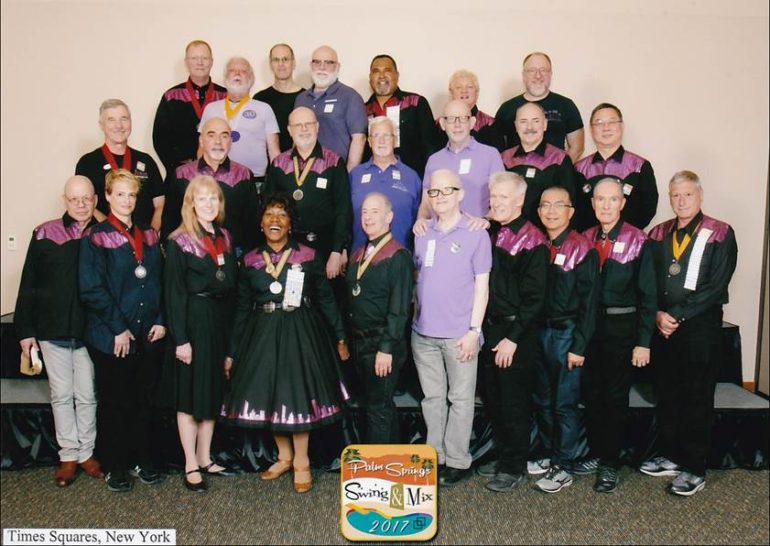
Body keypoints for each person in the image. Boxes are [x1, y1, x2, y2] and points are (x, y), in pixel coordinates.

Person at [222, 194, 350, 493]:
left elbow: (326, 298)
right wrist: (231, 352)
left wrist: (341, 335)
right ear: (260, 223)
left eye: (281, 215)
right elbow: (241, 308)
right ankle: (284, 457)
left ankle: (302, 461)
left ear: (291, 224)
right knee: (271, 394)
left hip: (300, 330)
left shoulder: (308, 255)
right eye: (269, 215)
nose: (275, 220)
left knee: (296, 394)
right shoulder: (250, 259)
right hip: (262, 332)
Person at [641, 170, 737, 496]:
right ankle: (669, 454)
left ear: (700, 196)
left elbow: (716, 285)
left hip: (699, 328)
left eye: (687, 195)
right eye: (675, 195)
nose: (681, 201)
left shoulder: (719, 233)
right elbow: (649, 280)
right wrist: (656, 314)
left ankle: (694, 469)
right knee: (667, 393)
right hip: (663, 327)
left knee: (697, 397)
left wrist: (678, 316)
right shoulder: (657, 233)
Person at [79, 169, 166, 493]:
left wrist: (161, 319)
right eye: (120, 194)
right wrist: (117, 328)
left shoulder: (150, 235)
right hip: (112, 337)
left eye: (132, 195)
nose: (127, 200)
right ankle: (115, 465)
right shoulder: (96, 237)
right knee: (116, 402)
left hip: (147, 334)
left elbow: (160, 280)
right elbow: (91, 288)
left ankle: (143, 459)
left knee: (144, 400)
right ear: (108, 197)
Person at [14, 175, 104, 487]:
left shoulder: (104, 235)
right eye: (74, 199)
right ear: (65, 200)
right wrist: (25, 331)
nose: (80, 205)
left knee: (87, 395)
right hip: (51, 330)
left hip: (90, 331)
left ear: (95, 200)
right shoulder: (44, 233)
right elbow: (30, 283)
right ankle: (68, 455)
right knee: (62, 395)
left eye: (86, 199)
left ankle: (87, 453)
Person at [412, 169, 492, 487]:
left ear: (460, 194)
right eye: (434, 192)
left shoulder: (476, 232)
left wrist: (474, 330)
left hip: (461, 334)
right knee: (432, 399)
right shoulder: (421, 232)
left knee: (460, 399)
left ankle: (458, 460)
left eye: (447, 191)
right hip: (423, 334)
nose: (440, 197)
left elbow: (482, 287)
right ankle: (436, 456)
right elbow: (418, 280)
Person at [580, 177, 657, 493]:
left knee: (614, 398)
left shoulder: (639, 240)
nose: (606, 205)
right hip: (589, 329)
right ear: (592, 203)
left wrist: (643, 341)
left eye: (612, 200)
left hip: (622, 330)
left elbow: (649, 295)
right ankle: (598, 454)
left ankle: (610, 463)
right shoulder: (584, 238)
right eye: (600, 199)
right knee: (593, 395)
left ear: (622, 203)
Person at [164, 175, 239, 493]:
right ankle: (190, 463)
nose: (209, 204)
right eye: (202, 198)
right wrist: (181, 339)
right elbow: (174, 294)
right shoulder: (179, 241)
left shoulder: (224, 236)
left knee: (211, 392)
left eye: (214, 198)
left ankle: (206, 457)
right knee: (190, 395)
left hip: (220, 320)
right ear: (190, 203)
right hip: (193, 322)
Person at [475, 172, 548, 493]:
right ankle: (504, 454)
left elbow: (536, 299)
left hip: (515, 333)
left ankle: (514, 466)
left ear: (520, 201)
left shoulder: (534, 240)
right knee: (494, 398)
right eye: (493, 196)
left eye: (503, 197)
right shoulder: (487, 232)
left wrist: (513, 339)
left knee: (514, 401)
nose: (496, 202)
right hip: (489, 328)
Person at [532, 184, 599, 494]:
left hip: (567, 334)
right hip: (540, 332)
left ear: (571, 212)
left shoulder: (582, 248)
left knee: (564, 404)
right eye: (545, 205)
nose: (550, 211)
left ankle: (565, 465)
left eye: (558, 205)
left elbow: (589, 304)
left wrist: (579, 346)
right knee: (543, 400)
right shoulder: (535, 243)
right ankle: (548, 453)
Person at [345, 193, 413, 443]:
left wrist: (386, 349)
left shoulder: (398, 255)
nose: (368, 217)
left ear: (389, 217)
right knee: (372, 405)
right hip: (359, 343)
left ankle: (380, 470)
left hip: (382, 345)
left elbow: (399, 310)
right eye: (364, 212)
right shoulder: (358, 254)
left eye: (375, 211)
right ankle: (383, 462)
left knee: (379, 407)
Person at [264, 107, 352, 280]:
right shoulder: (278, 164)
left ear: (317, 127)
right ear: (289, 130)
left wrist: (338, 250)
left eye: (308, 124)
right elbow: (267, 210)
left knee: (326, 300)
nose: (304, 129)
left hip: (325, 247)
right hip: (287, 245)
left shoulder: (334, 162)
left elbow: (343, 209)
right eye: (298, 125)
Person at [162, 117, 259, 253]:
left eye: (224, 136)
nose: (218, 141)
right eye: (211, 135)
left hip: (233, 256)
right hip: (192, 255)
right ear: (201, 141)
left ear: (231, 142)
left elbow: (252, 224)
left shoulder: (244, 175)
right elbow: (170, 220)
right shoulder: (181, 174)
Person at [76, 99, 164, 229]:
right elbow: (86, 205)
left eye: (124, 119)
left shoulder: (146, 160)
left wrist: (152, 235)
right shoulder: (87, 163)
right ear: (101, 125)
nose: (119, 125)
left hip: (143, 243)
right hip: (104, 241)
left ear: (131, 122)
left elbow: (160, 204)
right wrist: (116, 233)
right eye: (111, 119)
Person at [573, 103, 658, 231]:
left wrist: (625, 236)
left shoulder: (639, 166)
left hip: (629, 243)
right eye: (599, 123)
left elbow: (648, 208)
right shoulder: (579, 169)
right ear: (591, 130)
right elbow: (574, 210)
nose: (606, 128)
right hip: (587, 242)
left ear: (621, 126)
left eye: (612, 122)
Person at [419, 100, 505, 221]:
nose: (457, 124)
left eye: (463, 118)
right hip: (440, 236)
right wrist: (420, 222)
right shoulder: (433, 160)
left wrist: (485, 221)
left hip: (478, 233)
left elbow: (502, 200)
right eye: (451, 119)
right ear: (443, 124)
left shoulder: (491, 155)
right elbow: (426, 204)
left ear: (472, 123)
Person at [494, 52, 584, 163]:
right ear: (523, 75)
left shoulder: (566, 105)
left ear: (550, 74)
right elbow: (497, 149)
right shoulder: (507, 108)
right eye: (532, 70)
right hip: (515, 176)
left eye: (543, 70)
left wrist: (561, 172)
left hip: (554, 176)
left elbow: (577, 147)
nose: (538, 75)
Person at [152, 40, 227, 174]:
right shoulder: (171, 96)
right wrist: (178, 169)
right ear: (186, 62)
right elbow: (160, 139)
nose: (200, 62)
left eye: (204, 58)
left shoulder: (224, 96)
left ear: (211, 62)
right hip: (180, 173)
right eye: (194, 58)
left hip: (219, 172)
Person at [200, 56, 280, 181]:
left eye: (243, 71)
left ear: (251, 78)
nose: (237, 73)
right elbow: (202, 147)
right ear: (225, 77)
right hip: (216, 178)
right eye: (232, 70)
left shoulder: (264, 108)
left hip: (255, 180)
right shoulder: (211, 108)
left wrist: (277, 181)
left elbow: (274, 151)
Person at [350, 116, 421, 251]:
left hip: (401, 260)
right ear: (370, 141)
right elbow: (344, 218)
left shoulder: (412, 177)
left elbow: (420, 220)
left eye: (387, 136)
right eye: (376, 136)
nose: (381, 141)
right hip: (360, 259)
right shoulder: (355, 175)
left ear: (395, 140)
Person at [294, 45, 367, 171]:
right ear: (311, 66)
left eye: (328, 62)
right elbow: (295, 137)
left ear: (337, 67)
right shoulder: (301, 99)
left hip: (335, 173)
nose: (322, 67)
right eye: (317, 62)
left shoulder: (350, 97)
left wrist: (348, 176)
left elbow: (359, 139)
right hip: (304, 173)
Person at [501, 102, 576, 224]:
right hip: (508, 234)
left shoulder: (559, 159)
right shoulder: (504, 158)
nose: (529, 127)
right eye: (523, 121)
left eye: (535, 121)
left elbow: (568, 204)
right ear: (516, 126)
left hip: (545, 234)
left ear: (545, 124)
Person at [364, 54, 438, 177]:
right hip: (374, 181)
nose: (381, 76)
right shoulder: (363, 110)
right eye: (376, 71)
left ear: (397, 75)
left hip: (412, 180)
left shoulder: (415, 103)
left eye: (387, 70)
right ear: (370, 78)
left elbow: (431, 147)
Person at [253, 43, 305, 152]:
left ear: (293, 63)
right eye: (276, 60)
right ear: (270, 64)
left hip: (300, 165)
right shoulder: (260, 99)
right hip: (269, 166)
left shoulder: (306, 97)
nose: (281, 64)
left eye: (285, 59)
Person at [437, 69, 503, 150]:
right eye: (458, 87)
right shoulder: (440, 125)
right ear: (451, 93)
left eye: (469, 87)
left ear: (477, 92)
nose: (464, 91)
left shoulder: (490, 124)